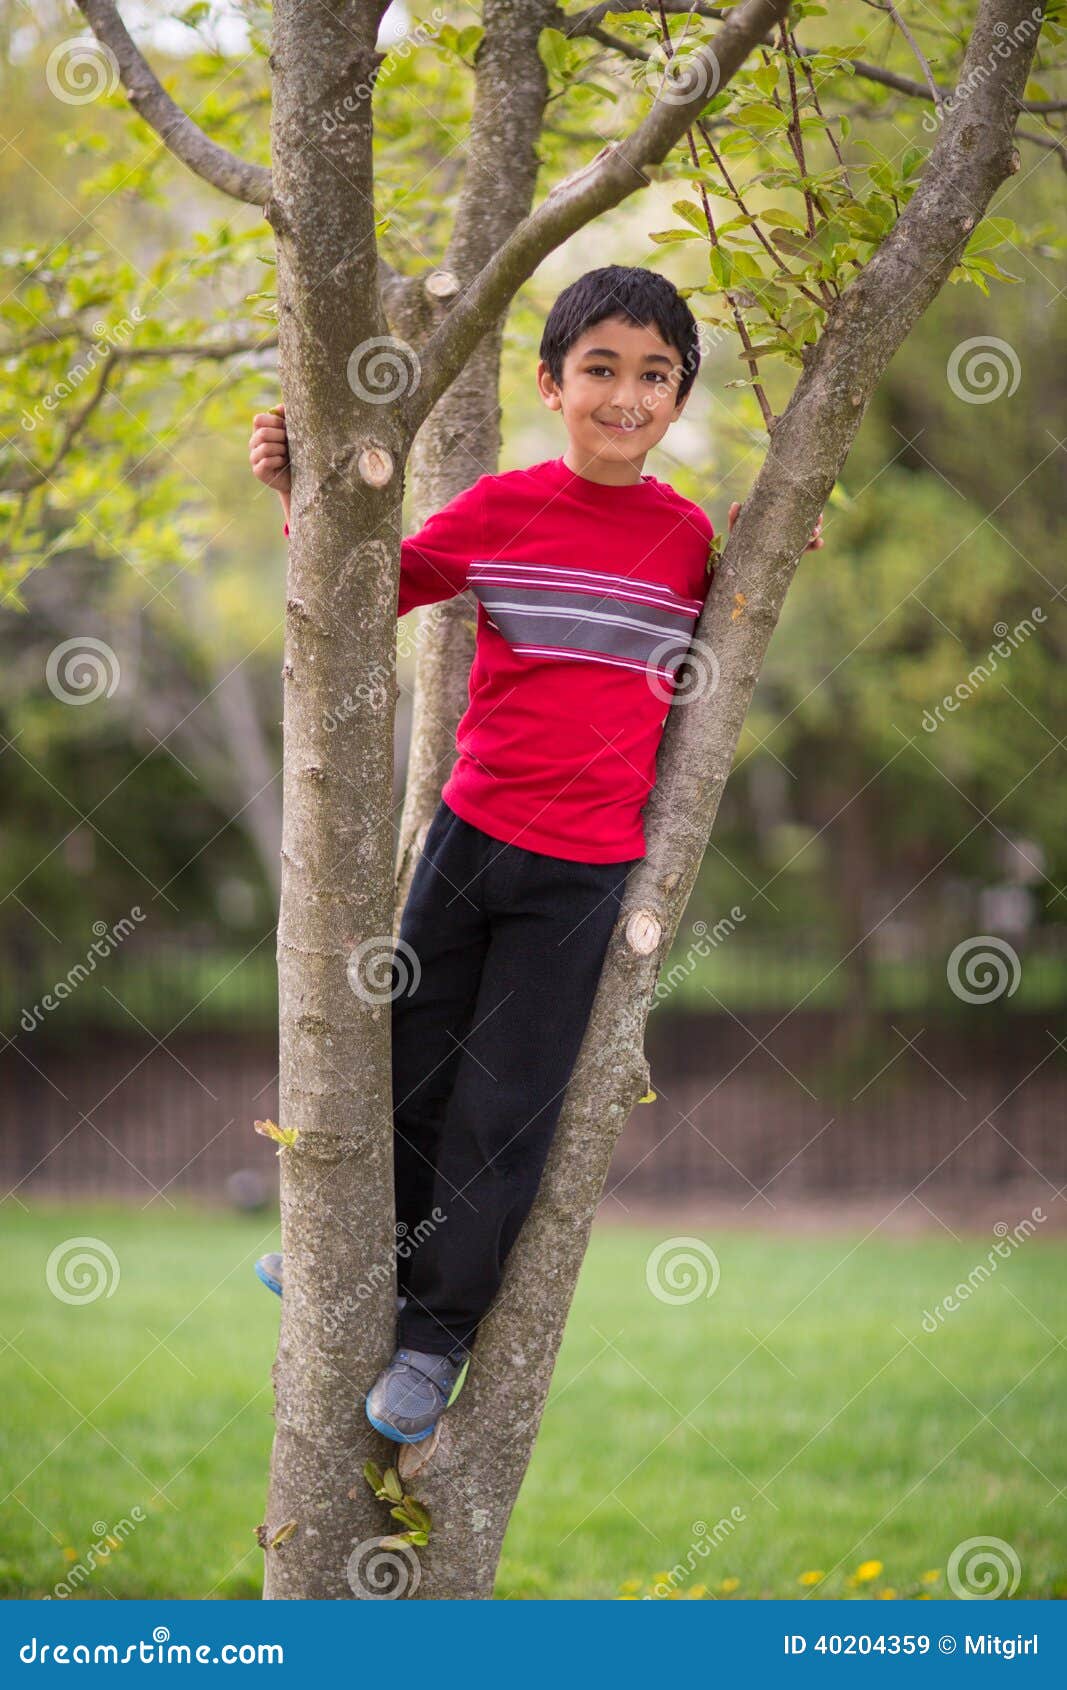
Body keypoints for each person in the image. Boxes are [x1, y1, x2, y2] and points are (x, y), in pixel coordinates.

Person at [248, 264, 824, 1444]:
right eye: (600, 369)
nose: (625, 395)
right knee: (399, 1067)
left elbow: (733, 615)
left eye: (652, 375)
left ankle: (434, 1335)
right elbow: (363, 587)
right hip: (467, 841)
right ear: (552, 384)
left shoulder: (683, 538)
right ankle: (346, 1267)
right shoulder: (503, 510)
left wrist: (778, 548)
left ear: (677, 398)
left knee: (502, 1111)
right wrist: (301, 495)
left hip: (583, 874)